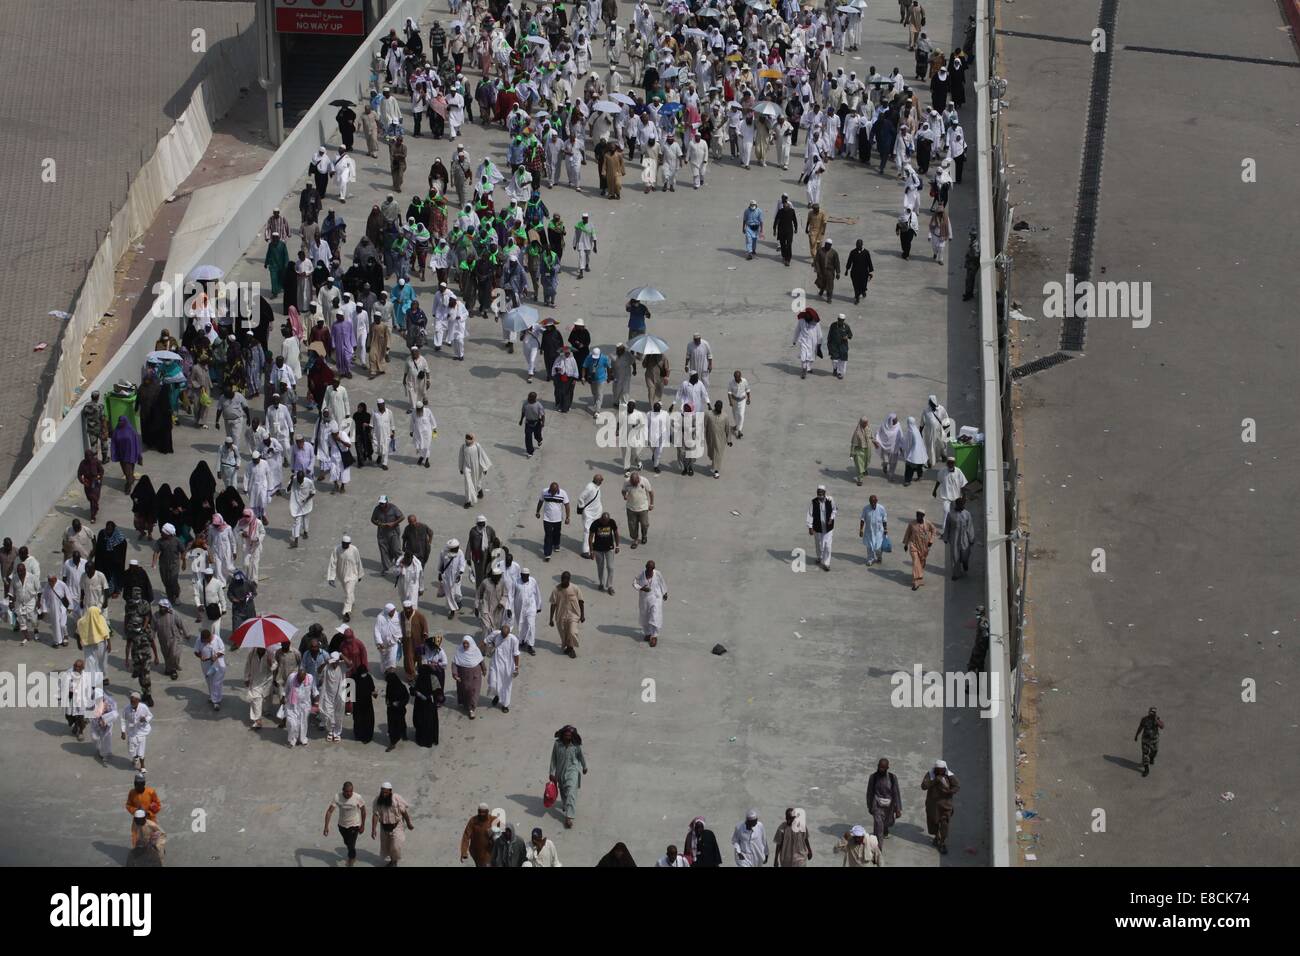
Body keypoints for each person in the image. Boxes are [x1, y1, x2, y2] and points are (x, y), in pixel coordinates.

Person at [548, 725, 588, 828]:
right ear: (562, 735)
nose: (567, 737)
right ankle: (566, 805)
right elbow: (553, 759)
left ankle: (569, 817)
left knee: (571, 792)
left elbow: (580, 756)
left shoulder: (576, 745)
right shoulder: (557, 744)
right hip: (560, 772)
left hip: (573, 771)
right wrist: (551, 772)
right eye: (566, 735)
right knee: (564, 791)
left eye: (569, 735)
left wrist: (584, 766)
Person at [324, 781, 368, 866]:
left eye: (350, 791)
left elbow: (363, 810)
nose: (349, 793)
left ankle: (351, 859)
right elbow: (329, 811)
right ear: (343, 790)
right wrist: (326, 826)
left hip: (354, 824)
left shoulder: (357, 797)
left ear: (353, 790)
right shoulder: (337, 797)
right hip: (342, 825)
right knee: (347, 842)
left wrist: (363, 825)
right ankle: (351, 854)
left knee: (351, 844)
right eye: (347, 791)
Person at [371, 783, 414, 866]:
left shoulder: (396, 798)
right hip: (384, 827)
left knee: (395, 846)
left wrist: (408, 823)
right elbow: (375, 815)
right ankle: (392, 861)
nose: (384, 794)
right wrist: (373, 829)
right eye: (382, 792)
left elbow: (404, 812)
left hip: (396, 826)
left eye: (386, 792)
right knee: (387, 847)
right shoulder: (377, 800)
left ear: (390, 791)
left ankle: (394, 862)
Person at [921, 759, 959, 854]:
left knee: (944, 824)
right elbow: (924, 786)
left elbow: (956, 786)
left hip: (945, 806)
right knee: (933, 823)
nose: (939, 771)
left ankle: (942, 842)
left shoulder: (950, 776)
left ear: (945, 769)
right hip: (932, 806)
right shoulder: (930, 775)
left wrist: (949, 791)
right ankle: (936, 837)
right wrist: (934, 781)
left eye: (941, 769)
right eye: (938, 769)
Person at [484, 623, 520, 713]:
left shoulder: (514, 640)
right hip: (495, 663)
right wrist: (476, 651)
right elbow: (485, 641)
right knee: (493, 683)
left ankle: (505, 705)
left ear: (508, 633)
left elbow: (516, 654)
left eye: (505, 635)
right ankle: (497, 695)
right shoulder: (496, 634)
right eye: (502, 635)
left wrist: (516, 668)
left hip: (508, 665)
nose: (504, 637)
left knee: (506, 686)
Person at [548, 571, 585, 659]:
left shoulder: (575, 588)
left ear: (569, 579)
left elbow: (581, 601)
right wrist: (551, 619)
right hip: (561, 615)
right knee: (564, 633)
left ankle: (571, 648)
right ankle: (568, 646)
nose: (563, 580)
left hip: (574, 614)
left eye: (566, 579)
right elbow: (553, 604)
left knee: (572, 632)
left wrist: (582, 615)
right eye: (562, 578)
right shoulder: (556, 590)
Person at [327, 534, 363, 621]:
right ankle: (351, 601)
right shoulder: (337, 549)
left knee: (348, 593)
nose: (344, 545)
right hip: (342, 575)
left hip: (352, 575)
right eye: (343, 543)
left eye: (347, 544)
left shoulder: (354, 550)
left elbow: (358, 561)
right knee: (348, 592)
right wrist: (331, 577)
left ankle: (346, 613)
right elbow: (333, 563)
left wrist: (360, 574)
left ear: (349, 543)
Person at [902, 510, 941, 590]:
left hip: (924, 547)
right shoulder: (912, 524)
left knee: (921, 562)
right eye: (917, 515)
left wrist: (931, 541)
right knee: (916, 562)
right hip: (913, 545)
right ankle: (915, 582)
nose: (918, 517)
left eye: (920, 515)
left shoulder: (927, 523)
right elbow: (907, 534)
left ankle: (919, 579)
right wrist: (906, 544)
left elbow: (934, 530)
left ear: (923, 516)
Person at [867, 757, 903, 842]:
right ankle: (877, 845)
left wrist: (898, 809)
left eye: (883, 767)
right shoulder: (873, 777)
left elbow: (896, 793)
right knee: (878, 825)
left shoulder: (892, 777)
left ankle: (885, 830)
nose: (881, 769)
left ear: (887, 768)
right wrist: (869, 806)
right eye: (879, 767)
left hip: (889, 806)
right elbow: (869, 792)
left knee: (888, 821)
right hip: (877, 805)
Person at [633, 560, 667, 647]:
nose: (649, 570)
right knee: (645, 617)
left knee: (655, 616)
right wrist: (641, 588)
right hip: (645, 599)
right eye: (647, 568)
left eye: (650, 569)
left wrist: (665, 593)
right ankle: (647, 633)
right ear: (645, 567)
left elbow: (662, 583)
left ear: (653, 569)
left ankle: (654, 636)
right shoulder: (641, 574)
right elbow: (634, 583)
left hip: (656, 598)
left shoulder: (657, 574)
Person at [284, 664, 317, 748]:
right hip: (292, 704)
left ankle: (302, 739)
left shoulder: (310, 678)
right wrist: (283, 698)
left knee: (303, 723)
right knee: (292, 724)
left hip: (305, 705)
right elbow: (286, 689)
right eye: (299, 679)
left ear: (305, 676)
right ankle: (292, 740)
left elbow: (314, 690)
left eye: (302, 679)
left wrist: (317, 701)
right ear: (297, 675)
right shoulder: (291, 677)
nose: (300, 681)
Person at [452, 635, 485, 718]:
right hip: (463, 676)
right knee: (465, 691)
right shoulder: (459, 651)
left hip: (475, 676)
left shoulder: (475, 650)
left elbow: (481, 660)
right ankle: (466, 704)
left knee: (473, 691)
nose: (465, 645)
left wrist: (484, 669)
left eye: (467, 643)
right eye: (464, 643)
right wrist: (455, 674)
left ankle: (471, 709)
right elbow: (455, 663)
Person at [807, 485, 837, 571]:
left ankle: (826, 563)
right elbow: (810, 514)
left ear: (824, 493)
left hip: (828, 528)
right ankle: (819, 557)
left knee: (827, 546)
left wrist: (831, 518)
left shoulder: (830, 500)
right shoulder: (813, 502)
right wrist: (810, 527)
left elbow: (835, 510)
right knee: (819, 544)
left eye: (821, 493)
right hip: (817, 527)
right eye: (818, 493)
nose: (819, 495)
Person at [121, 691, 152, 772]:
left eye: (134, 701)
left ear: (138, 700)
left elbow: (150, 715)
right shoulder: (126, 708)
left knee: (141, 749)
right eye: (131, 701)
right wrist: (123, 731)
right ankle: (135, 757)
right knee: (131, 750)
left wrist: (145, 719)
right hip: (131, 731)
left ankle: (142, 766)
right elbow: (123, 719)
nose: (132, 703)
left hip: (141, 731)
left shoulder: (143, 707)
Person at [458, 433, 493, 507]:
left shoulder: (477, 446)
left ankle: (479, 490)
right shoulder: (463, 447)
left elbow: (482, 456)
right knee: (468, 483)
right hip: (466, 467)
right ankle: (468, 501)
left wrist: (484, 468)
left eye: (469, 438)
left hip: (476, 467)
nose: (467, 440)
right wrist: (461, 468)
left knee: (475, 481)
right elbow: (461, 458)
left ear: (473, 439)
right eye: (466, 438)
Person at [195, 629, 226, 710]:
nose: (204, 643)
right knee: (209, 681)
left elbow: (222, 650)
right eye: (203, 641)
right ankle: (213, 696)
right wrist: (200, 656)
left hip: (218, 664)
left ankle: (216, 701)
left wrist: (216, 655)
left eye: (206, 641)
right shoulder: (199, 640)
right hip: (206, 665)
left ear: (210, 637)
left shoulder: (217, 639)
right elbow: (196, 651)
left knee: (217, 682)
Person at [621, 472, 653, 547]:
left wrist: (651, 504)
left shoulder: (644, 480)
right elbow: (623, 490)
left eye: (636, 483)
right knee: (632, 526)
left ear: (638, 479)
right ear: (631, 481)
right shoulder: (627, 482)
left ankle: (644, 535)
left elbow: (651, 492)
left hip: (643, 507)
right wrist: (624, 495)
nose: (635, 485)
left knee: (645, 524)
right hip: (631, 508)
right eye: (633, 483)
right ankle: (635, 540)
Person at [437, 539, 467, 618]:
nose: (457, 549)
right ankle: (452, 610)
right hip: (446, 577)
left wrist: (460, 573)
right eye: (455, 548)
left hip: (456, 576)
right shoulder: (443, 552)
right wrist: (440, 573)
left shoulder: (460, 553)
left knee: (457, 592)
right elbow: (441, 563)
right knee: (449, 594)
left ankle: (459, 601)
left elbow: (462, 563)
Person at [412, 662, 440, 746]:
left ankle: (421, 739)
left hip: (420, 705)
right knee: (430, 722)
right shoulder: (433, 678)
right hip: (429, 705)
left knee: (420, 721)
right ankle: (430, 740)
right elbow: (438, 691)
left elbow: (412, 689)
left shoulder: (418, 678)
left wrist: (418, 694)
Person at [89, 687, 118, 765]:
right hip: (95, 722)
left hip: (107, 723)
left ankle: (104, 754)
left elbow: (115, 714)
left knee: (106, 739)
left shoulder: (110, 702)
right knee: (94, 738)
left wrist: (105, 720)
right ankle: (99, 748)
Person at [792, 308, 822, 380]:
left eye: (809, 316)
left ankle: (809, 368)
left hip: (812, 343)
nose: (807, 317)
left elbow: (819, 334)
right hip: (803, 341)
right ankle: (804, 370)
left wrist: (819, 344)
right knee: (803, 356)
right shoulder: (801, 321)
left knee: (810, 357)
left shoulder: (816, 323)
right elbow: (797, 330)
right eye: (806, 316)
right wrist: (794, 340)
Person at [384, 669, 410, 751]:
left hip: (400, 710)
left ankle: (403, 734)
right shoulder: (389, 685)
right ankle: (393, 742)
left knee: (401, 722)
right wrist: (387, 702)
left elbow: (406, 698)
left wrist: (399, 703)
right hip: (391, 710)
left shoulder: (402, 687)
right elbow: (387, 696)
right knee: (392, 726)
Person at [1135, 707, 1164, 777]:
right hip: (1145, 739)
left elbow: (1162, 726)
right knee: (1145, 754)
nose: (1152, 714)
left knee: (1155, 751)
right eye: (1151, 712)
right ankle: (1146, 769)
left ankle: (1152, 758)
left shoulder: (1157, 719)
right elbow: (1140, 727)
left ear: (1155, 713)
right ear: (1148, 712)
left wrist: (1156, 720)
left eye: (1153, 712)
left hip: (1154, 740)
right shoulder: (1144, 719)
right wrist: (1136, 735)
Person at [351, 663, 377, 743]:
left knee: (368, 721)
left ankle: (367, 737)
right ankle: (358, 736)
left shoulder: (368, 677)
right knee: (358, 720)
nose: (364, 675)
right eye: (363, 673)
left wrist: (374, 694)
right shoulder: (353, 678)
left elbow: (372, 689)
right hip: (357, 704)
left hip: (367, 704)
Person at [902, 416, 928, 485]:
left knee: (909, 467)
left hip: (914, 453)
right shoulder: (916, 430)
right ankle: (920, 476)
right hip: (920, 452)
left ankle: (907, 480)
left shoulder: (910, 431)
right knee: (919, 464)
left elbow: (908, 444)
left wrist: (905, 450)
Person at [726, 370, 752, 439]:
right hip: (734, 400)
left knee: (741, 414)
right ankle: (737, 426)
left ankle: (739, 430)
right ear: (734, 377)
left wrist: (749, 398)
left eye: (738, 377)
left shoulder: (744, 381)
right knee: (735, 415)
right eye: (735, 378)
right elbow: (729, 393)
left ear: (740, 376)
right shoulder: (731, 382)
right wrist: (730, 401)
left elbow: (748, 390)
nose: (736, 379)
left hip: (742, 401)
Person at [827, 313, 853, 380]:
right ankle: (835, 369)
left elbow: (850, 335)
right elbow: (829, 335)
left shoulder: (846, 327)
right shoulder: (833, 325)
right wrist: (829, 345)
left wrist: (847, 337)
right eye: (839, 320)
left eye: (842, 320)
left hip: (843, 346)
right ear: (837, 319)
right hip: (834, 345)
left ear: (844, 320)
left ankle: (840, 373)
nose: (840, 321)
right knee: (834, 360)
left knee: (843, 360)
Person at [773, 195, 798, 266]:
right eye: (784, 208)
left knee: (789, 245)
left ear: (789, 207)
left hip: (789, 231)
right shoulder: (780, 211)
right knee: (782, 244)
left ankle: (788, 259)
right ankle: (784, 256)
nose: (785, 209)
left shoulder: (792, 211)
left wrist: (796, 228)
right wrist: (774, 229)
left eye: (786, 208)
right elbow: (776, 220)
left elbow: (795, 220)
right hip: (781, 231)